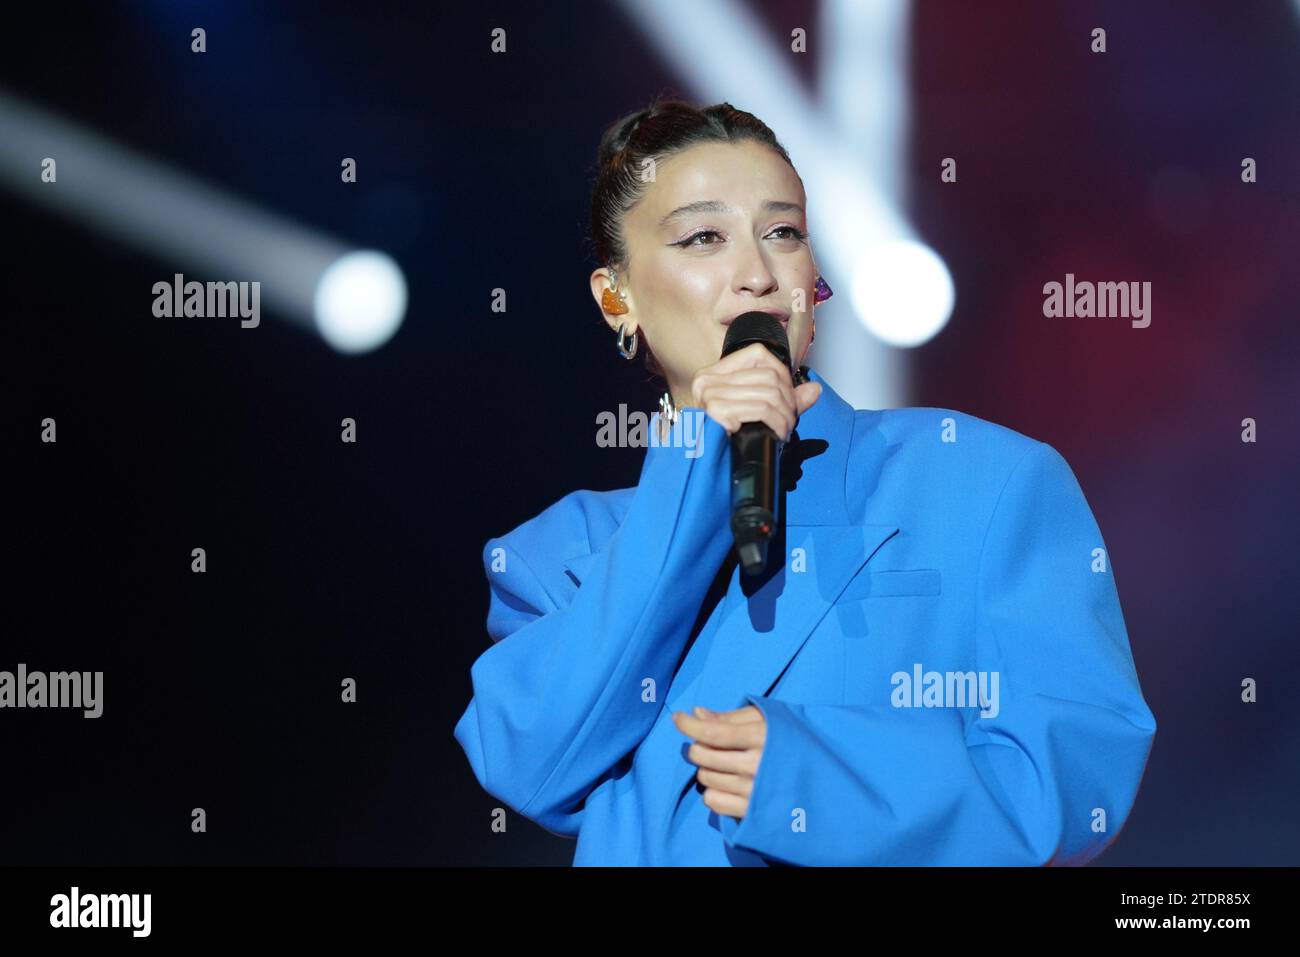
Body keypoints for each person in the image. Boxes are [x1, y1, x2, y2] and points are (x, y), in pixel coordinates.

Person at [453, 98, 1156, 866]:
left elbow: (1078, 777)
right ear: (616, 295)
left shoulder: (983, 480)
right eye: (703, 237)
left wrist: (815, 779)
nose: (756, 274)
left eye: (783, 233)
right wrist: (694, 473)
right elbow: (531, 766)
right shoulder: (557, 556)